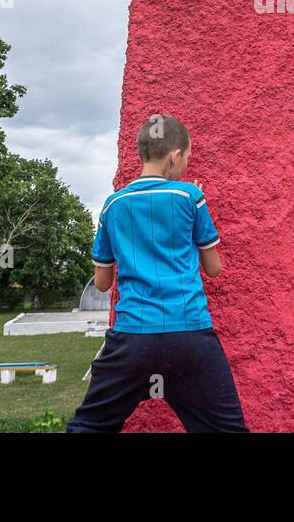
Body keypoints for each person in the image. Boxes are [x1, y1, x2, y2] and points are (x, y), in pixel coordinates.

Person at [66, 113, 248, 432]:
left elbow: (102, 283)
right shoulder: (189, 196)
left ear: (141, 154)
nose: (186, 165)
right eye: (187, 158)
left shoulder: (112, 205)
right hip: (190, 334)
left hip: (133, 339)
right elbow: (214, 268)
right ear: (175, 156)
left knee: (90, 426)